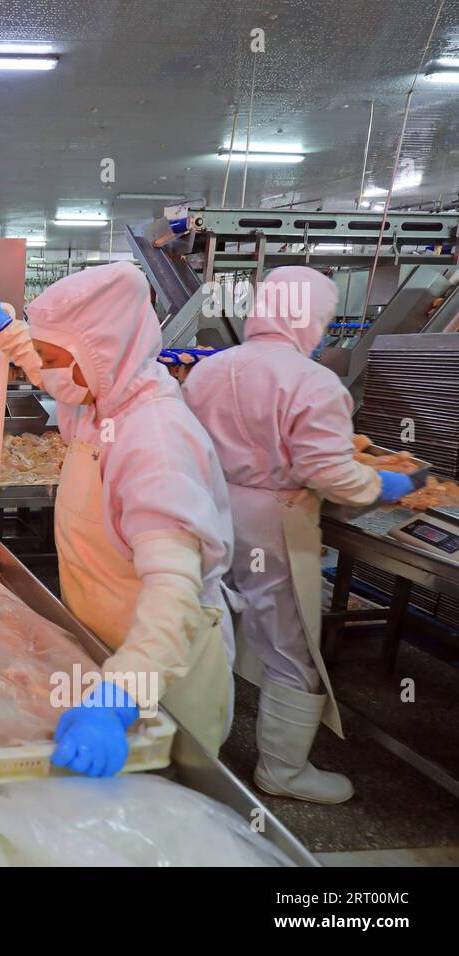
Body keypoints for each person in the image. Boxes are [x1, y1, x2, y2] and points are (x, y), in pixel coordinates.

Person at [0, 262, 235, 777]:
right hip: (101, 643)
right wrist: (7, 332)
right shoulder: (99, 398)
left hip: (160, 669)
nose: (46, 370)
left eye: (55, 356)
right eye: (44, 355)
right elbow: (51, 369)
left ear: (100, 352)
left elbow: (174, 590)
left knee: (163, 817)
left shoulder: (155, 438)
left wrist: (119, 696)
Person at [181, 266, 409, 804]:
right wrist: (385, 482)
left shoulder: (210, 372)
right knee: (289, 639)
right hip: (274, 519)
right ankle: (283, 770)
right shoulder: (311, 381)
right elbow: (327, 473)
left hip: (213, 506)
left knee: (212, 620)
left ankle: (195, 738)